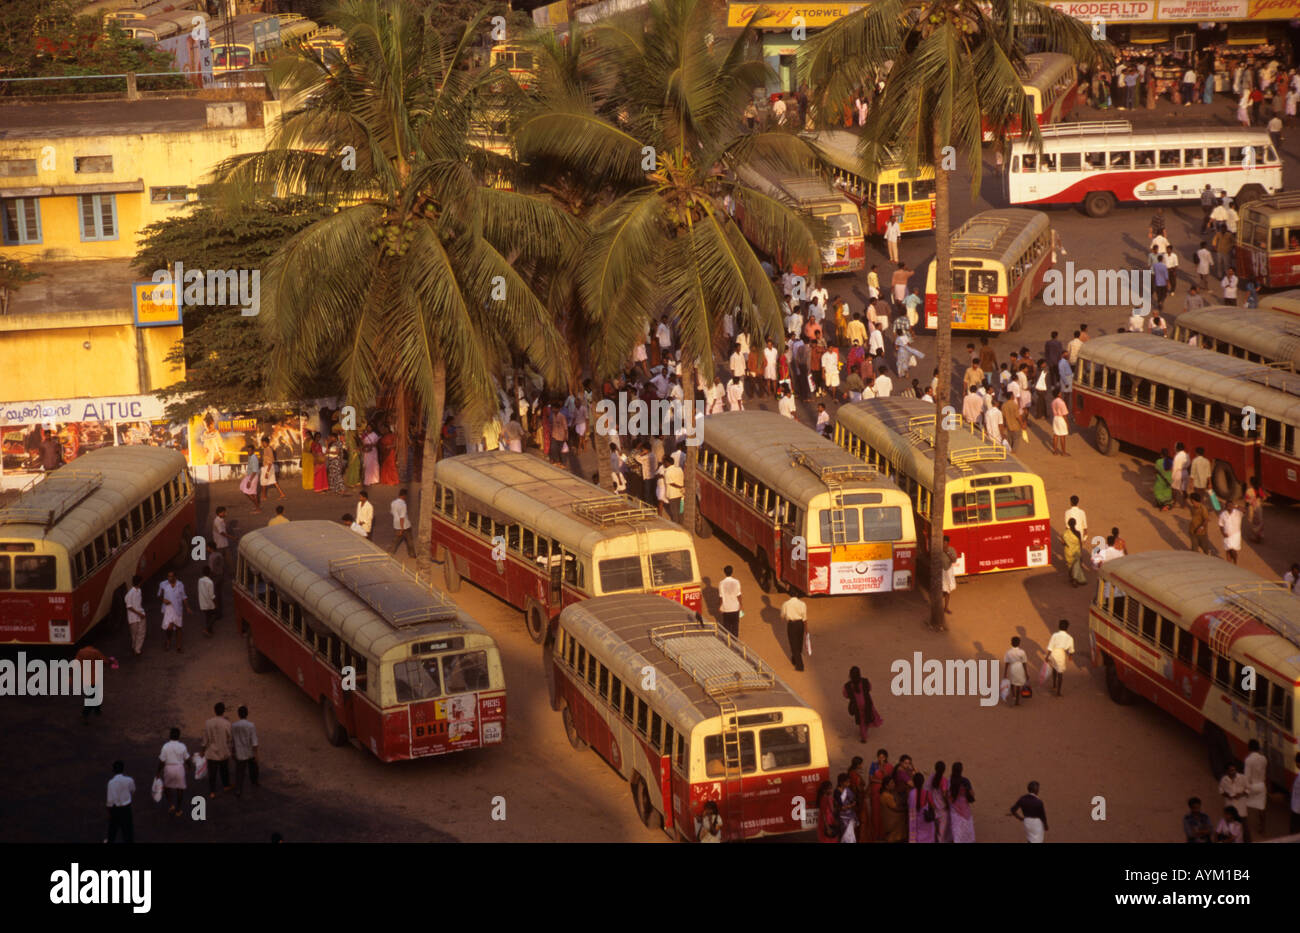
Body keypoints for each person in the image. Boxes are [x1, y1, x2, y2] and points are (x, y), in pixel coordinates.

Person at [202, 702, 233, 798]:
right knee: (224, 770)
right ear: (223, 711)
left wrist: (202, 750)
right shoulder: (227, 723)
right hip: (223, 751)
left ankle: (212, 792)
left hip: (211, 752)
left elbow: (205, 739)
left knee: (212, 773)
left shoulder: (208, 722)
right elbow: (229, 738)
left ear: (214, 711)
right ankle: (226, 786)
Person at [156, 727, 189, 817]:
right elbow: (187, 758)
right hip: (179, 768)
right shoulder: (182, 746)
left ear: (170, 735)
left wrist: (158, 772)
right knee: (180, 789)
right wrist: (189, 767)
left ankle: (171, 804)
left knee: (167, 787)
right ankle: (178, 809)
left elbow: (162, 761)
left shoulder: (165, 746)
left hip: (168, 768)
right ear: (179, 736)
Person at [158, 570, 189, 653]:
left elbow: (184, 597)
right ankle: (168, 641)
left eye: (171, 576)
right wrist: (163, 599)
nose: (169, 578)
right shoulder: (163, 584)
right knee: (169, 628)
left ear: (175, 577)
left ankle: (178, 646)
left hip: (178, 609)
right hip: (168, 609)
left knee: (179, 627)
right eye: (168, 576)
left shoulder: (180, 585)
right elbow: (159, 595)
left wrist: (187, 607)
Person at [232, 705, 259, 797]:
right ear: (247, 714)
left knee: (239, 772)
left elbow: (233, 740)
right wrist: (256, 754)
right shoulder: (251, 725)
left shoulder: (234, 725)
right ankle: (254, 782)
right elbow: (254, 741)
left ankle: (238, 789)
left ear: (238, 714)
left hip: (239, 753)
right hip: (249, 752)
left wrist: (233, 751)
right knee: (253, 768)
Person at [843, 666, 875, 744]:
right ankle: (864, 733)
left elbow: (845, 695)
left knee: (861, 720)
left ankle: (863, 736)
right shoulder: (865, 681)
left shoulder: (848, 685)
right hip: (866, 703)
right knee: (866, 718)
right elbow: (870, 688)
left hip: (856, 705)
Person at [867, 749, 894, 842]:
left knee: (884, 812)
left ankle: (883, 834)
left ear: (886, 757)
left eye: (882, 757)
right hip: (875, 792)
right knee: (875, 812)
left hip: (884, 792)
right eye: (879, 757)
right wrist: (882, 782)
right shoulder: (873, 765)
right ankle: (876, 834)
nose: (880, 758)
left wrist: (883, 770)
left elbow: (890, 779)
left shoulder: (889, 766)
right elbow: (871, 779)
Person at [1244, 739, 1268, 838]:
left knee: (1244, 805)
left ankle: (1245, 826)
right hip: (1261, 785)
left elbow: (1247, 776)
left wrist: (1245, 789)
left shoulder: (1248, 760)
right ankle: (1262, 827)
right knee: (1261, 808)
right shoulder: (1264, 759)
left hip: (1252, 785)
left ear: (1249, 748)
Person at [106, 760, 135, 843]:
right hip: (126, 808)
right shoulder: (129, 780)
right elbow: (132, 790)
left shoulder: (111, 783)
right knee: (128, 831)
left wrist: (109, 813)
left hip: (115, 809)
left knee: (112, 831)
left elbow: (109, 800)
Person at [1046, 619, 1074, 697]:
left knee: (1054, 668)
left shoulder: (1054, 635)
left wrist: (1047, 656)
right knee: (1060, 672)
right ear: (1067, 628)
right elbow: (1071, 650)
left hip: (1054, 653)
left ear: (1059, 626)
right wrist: (1070, 657)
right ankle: (1058, 691)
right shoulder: (1070, 638)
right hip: (1061, 654)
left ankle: (1054, 684)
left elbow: (1050, 647)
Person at [949, 762, 975, 842]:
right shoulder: (965, 781)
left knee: (956, 829)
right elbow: (972, 793)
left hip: (954, 807)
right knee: (967, 828)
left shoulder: (950, 781)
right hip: (965, 806)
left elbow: (948, 796)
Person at [781, 593, 807, 671]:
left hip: (792, 625)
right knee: (799, 642)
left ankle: (800, 665)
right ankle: (794, 659)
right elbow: (805, 618)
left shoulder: (786, 604)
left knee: (793, 644)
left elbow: (782, 616)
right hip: (800, 624)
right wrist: (806, 629)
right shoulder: (802, 604)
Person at [907, 772, 934, 843]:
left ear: (914, 782)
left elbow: (909, 805)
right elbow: (933, 806)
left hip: (916, 821)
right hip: (925, 820)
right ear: (923, 782)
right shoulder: (927, 793)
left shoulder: (911, 793)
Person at [125, 574, 146, 655]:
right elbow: (129, 606)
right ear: (139, 582)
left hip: (140, 615)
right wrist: (139, 613)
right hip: (134, 617)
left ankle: (137, 649)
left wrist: (140, 613)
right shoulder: (129, 594)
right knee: (135, 634)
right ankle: (135, 647)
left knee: (141, 632)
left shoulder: (139, 591)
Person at [835, 772, 859, 843]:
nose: (849, 784)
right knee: (845, 835)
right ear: (841, 782)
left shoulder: (848, 790)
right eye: (847, 782)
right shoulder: (837, 792)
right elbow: (839, 805)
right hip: (843, 817)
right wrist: (849, 806)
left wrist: (853, 804)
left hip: (850, 815)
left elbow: (853, 800)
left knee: (851, 835)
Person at [390, 488, 415, 557]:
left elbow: (392, 513)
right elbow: (402, 517)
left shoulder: (393, 503)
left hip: (396, 525)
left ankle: (390, 553)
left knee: (395, 541)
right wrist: (402, 528)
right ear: (404, 496)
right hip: (405, 526)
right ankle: (412, 554)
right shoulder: (403, 504)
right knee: (409, 541)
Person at [718, 566, 742, 637]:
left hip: (726, 608)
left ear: (724, 572)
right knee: (735, 626)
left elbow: (721, 597)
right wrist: (740, 604)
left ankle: (728, 641)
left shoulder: (721, 583)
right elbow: (739, 595)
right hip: (735, 607)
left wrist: (720, 606)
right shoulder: (736, 582)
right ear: (732, 572)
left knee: (727, 626)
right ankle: (735, 640)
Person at [1005, 637, 1029, 705]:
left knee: (1012, 683)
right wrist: (1026, 673)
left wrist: (1005, 673)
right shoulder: (1022, 652)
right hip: (1020, 669)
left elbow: (1007, 663)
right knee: (1018, 685)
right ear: (1019, 643)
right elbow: (1024, 663)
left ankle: (1013, 696)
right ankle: (1017, 701)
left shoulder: (1008, 652)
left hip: (1012, 668)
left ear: (1011, 643)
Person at [1063, 519, 1087, 587]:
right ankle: (1075, 579)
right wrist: (1081, 552)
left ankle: (1071, 578)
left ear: (1068, 524)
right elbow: (1080, 543)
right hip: (1076, 551)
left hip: (1068, 552)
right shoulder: (1078, 533)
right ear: (1075, 524)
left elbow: (1063, 543)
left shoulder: (1065, 534)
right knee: (1076, 565)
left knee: (1070, 565)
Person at [1219, 500, 1243, 564]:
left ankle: (1235, 561)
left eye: (1230, 505)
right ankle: (1229, 564)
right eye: (1227, 506)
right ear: (1225, 507)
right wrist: (1223, 533)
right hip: (1227, 535)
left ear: (1233, 506)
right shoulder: (1223, 514)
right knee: (1228, 550)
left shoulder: (1238, 513)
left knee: (1233, 550)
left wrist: (1236, 506)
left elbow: (1244, 510)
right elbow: (1221, 525)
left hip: (1236, 535)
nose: (1229, 507)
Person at [240, 445, 262, 512]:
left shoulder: (254, 458)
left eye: (250, 450)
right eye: (247, 450)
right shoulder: (250, 456)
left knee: (249, 492)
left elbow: (255, 471)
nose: (248, 452)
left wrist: (249, 481)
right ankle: (257, 506)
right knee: (245, 489)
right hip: (250, 475)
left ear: (253, 450)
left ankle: (258, 508)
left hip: (253, 476)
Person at [940, 535, 958, 616]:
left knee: (948, 590)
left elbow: (954, 560)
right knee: (942, 590)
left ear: (948, 543)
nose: (944, 545)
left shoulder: (951, 549)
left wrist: (947, 552)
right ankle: (939, 607)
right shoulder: (938, 550)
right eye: (943, 543)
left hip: (949, 571)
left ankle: (946, 607)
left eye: (945, 543)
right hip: (941, 571)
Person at [1244, 477, 1265, 542]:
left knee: (1252, 521)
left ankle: (1254, 536)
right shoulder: (1259, 489)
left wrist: (1251, 501)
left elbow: (1246, 500)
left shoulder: (1248, 490)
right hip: (1258, 507)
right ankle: (1259, 535)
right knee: (1259, 521)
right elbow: (1264, 497)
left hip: (1251, 508)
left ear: (1251, 483)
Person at [1049, 388, 1069, 456]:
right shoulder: (1062, 402)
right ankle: (1063, 452)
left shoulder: (1053, 402)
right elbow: (1065, 415)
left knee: (1055, 435)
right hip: (1061, 419)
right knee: (1062, 436)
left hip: (1055, 418)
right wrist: (1067, 423)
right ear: (1058, 394)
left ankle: (1054, 451)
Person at [198, 567, 217, 636]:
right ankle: (207, 629)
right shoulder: (210, 582)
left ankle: (210, 631)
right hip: (209, 603)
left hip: (202, 602)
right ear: (209, 573)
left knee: (207, 617)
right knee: (214, 615)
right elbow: (212, 595)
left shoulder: (200, 580)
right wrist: (216, 603)